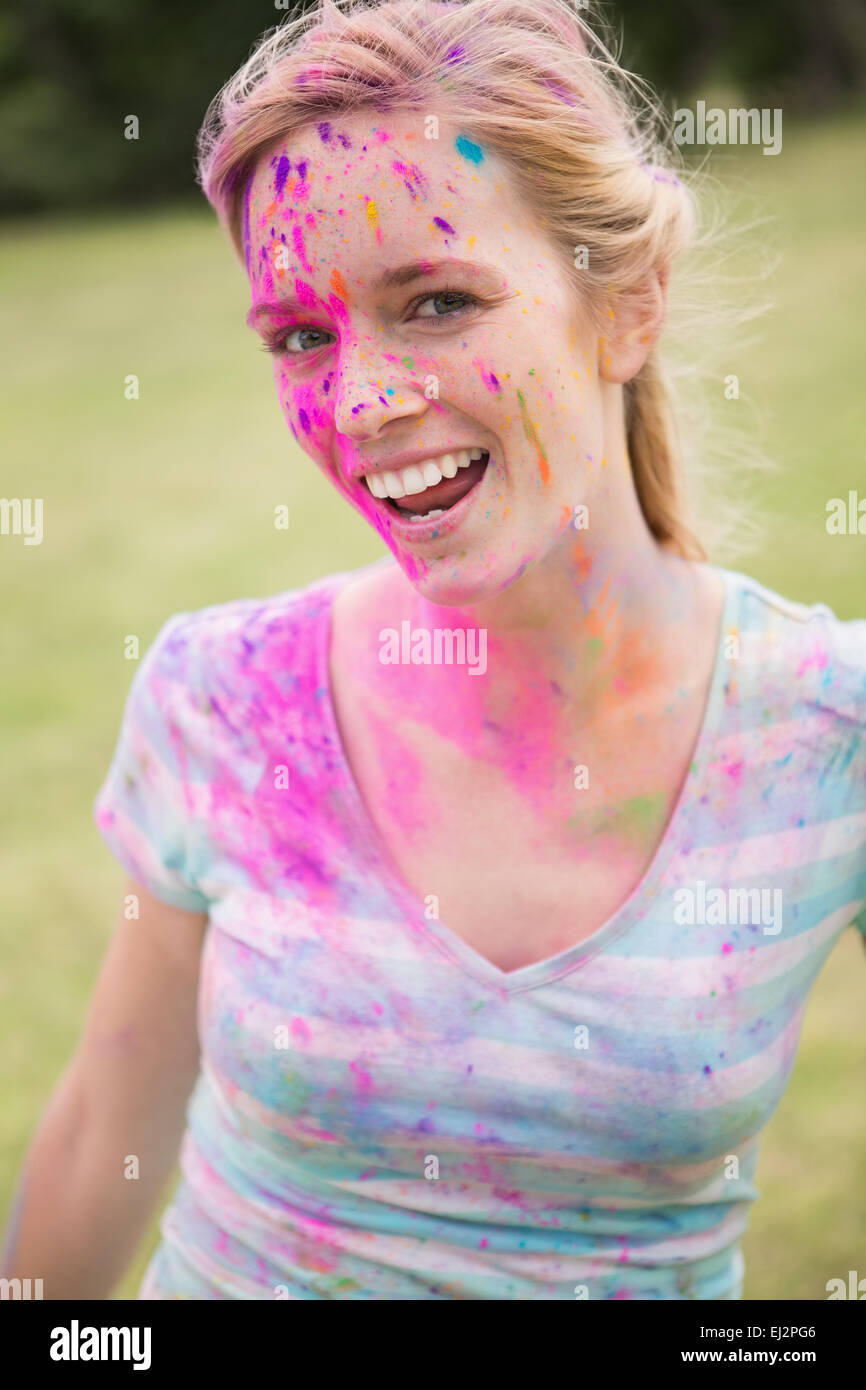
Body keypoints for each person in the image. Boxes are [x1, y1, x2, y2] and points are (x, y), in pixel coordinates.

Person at [4, 0, 865, 1301]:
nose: (358, 402)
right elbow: (103, 1130)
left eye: (438, 301)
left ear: (624, 305)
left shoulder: (824, 730)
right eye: (299, 336)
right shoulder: (225, 698)